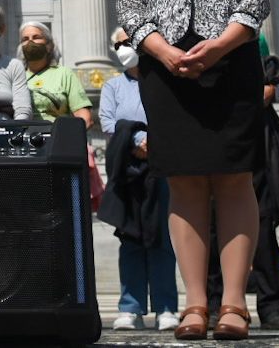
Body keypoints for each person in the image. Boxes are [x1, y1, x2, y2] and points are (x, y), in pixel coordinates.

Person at [113, 0, 269, 341]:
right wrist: (162, 52)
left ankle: (234, 305)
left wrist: (219, 46)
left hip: (230, 64)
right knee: (184, 183)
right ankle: (195, 304)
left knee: (233, 180)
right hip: (167, 70)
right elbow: (128, 3)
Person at [206, 38, 279, 330]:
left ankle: (271, 305)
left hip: (252, 146)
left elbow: (266, 88)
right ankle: (212, 304)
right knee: (210, 229)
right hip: (212, 142)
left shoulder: (251, 36)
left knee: (261, 226)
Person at [97, 26, 178, 333]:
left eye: (127, 42)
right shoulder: (113, 87)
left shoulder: (161, 82)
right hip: (127, 168)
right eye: (117, 44)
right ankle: (130, 307)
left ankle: (166, 307)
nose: (123, 49)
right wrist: (136, 140)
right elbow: (108, 122)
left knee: (160, 239)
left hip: (160, 165)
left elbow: (171, 118)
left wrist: (151, 141)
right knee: (129, 240)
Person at [19, 20, 93, 128]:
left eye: (36, 37)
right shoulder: (16, 76)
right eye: (25, 39)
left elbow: (84, 116)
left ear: (49, 45)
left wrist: (70, 137)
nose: (30, 42)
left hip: (57, 138)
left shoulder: (64, 74)